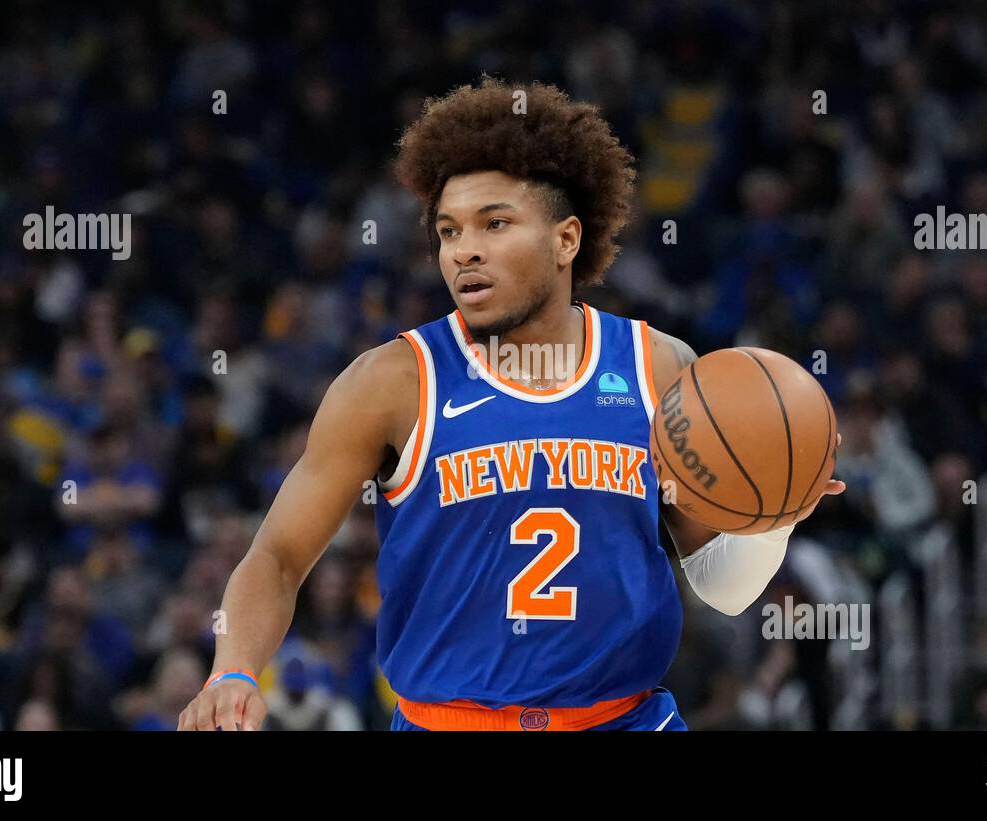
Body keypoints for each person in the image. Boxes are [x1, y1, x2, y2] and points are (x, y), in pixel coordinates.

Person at [178, 79, 843, 732]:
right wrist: (233, 670)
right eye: (448, 230)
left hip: (624, 719)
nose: (463, 249)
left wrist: (778, 513)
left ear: (566, 240)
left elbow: (722, 587)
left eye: (494, 223)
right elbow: (277, 556)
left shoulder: (658, 368)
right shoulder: (389, 383)